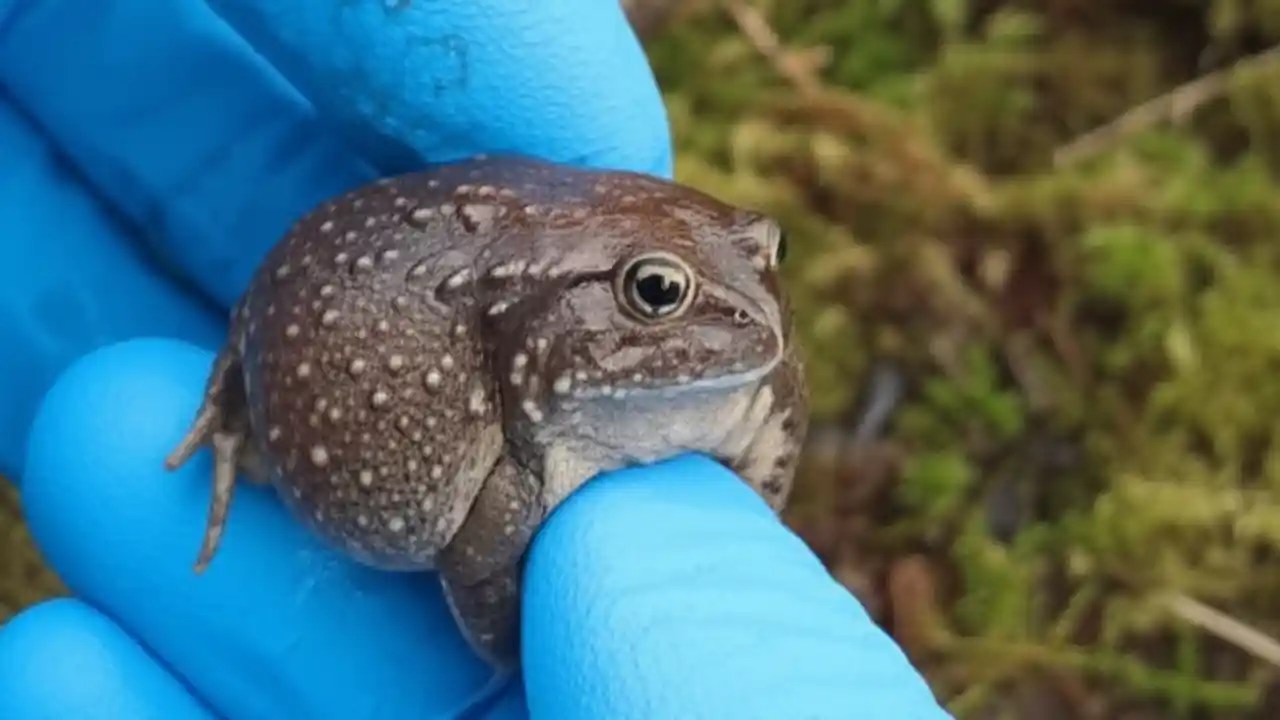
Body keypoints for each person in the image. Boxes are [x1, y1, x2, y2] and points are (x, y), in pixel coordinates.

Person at [0, 2, 951, 717]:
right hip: (344, 294)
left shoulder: (737, 346)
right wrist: (520, 659)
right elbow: (477, 565)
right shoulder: (524, 462)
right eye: (659, 297)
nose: (757, 317)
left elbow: (759, 362)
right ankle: (230, 403)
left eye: (769, 256)